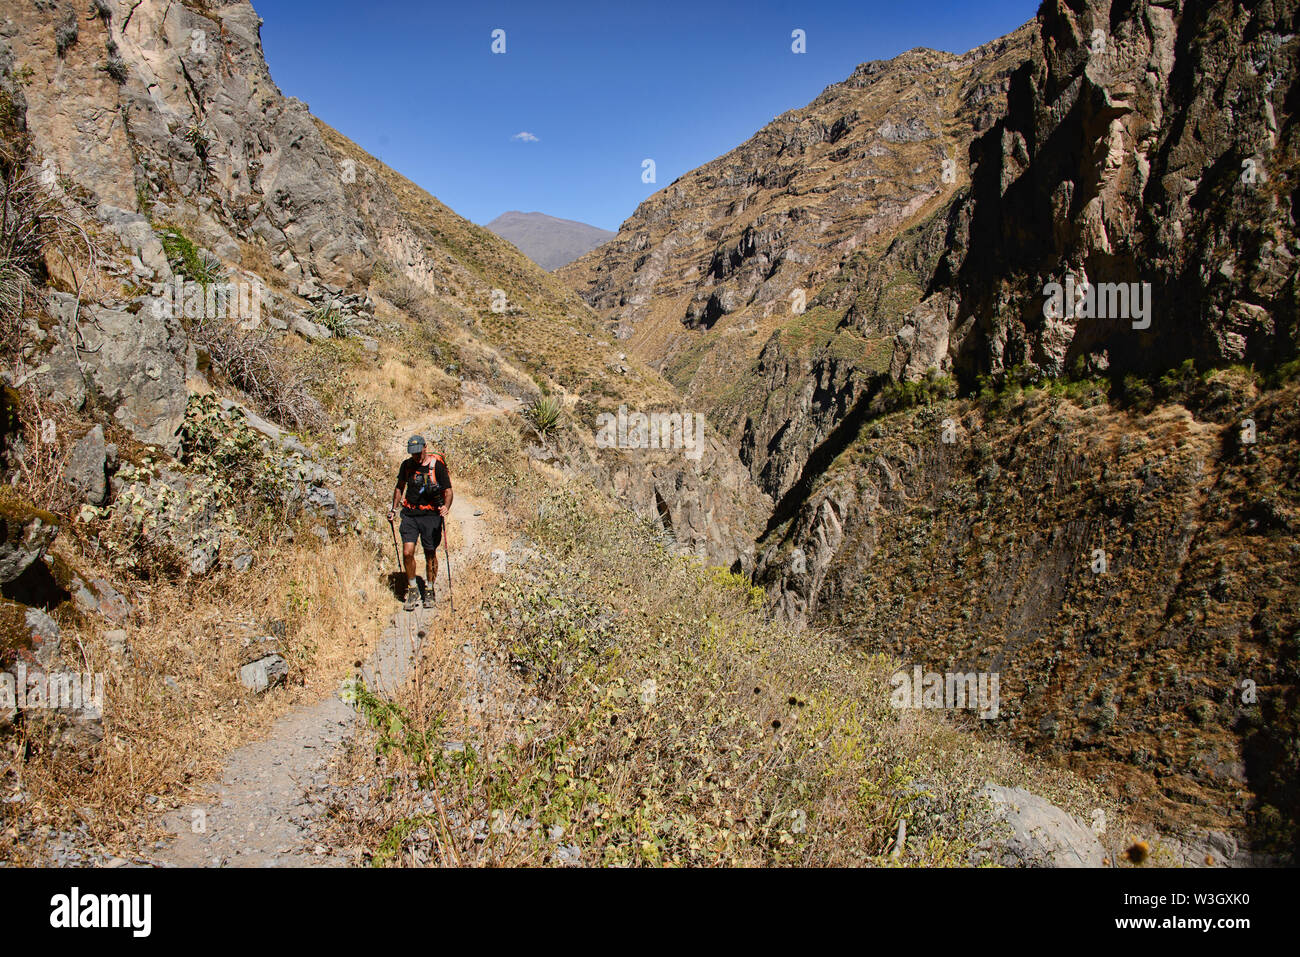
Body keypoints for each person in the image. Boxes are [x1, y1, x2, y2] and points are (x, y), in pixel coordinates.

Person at [389, 435, 452, 610]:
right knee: (408, 552)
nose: (416, 456)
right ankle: (412, 588)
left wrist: (446, 507)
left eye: (418, 452)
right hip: (410, 513)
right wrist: (393, 508)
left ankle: (430, 590)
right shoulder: (407, 466)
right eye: (413, 453)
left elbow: (448, 490)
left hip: (431, 514)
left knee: (430, 552)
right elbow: (400, 486)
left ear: (425, 447)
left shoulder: (436, 466)